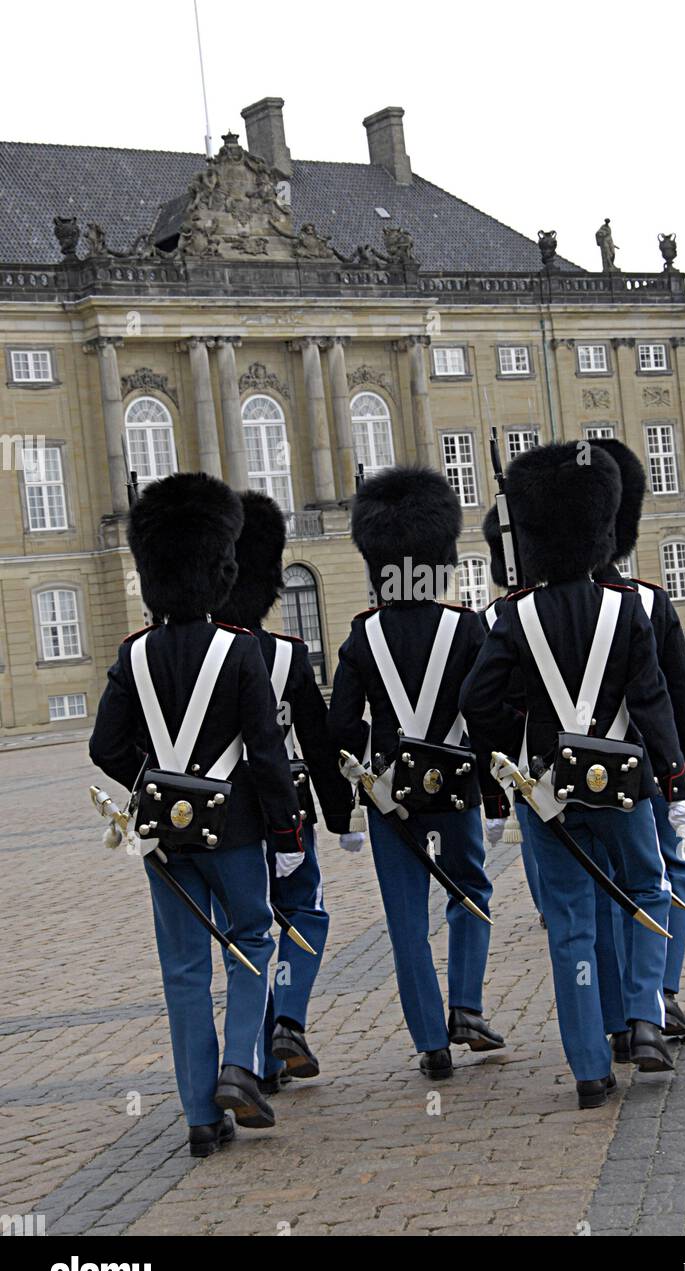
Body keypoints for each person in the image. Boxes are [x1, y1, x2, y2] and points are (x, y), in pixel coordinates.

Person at [461, 442, 685, 1109]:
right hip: (624, 782)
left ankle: (590, 1066)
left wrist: (517, 753)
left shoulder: (511, 616)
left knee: (570, 925)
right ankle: (646, 1015)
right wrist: (674, 778)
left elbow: (478, 701)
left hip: (548, 793)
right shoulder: (628, 610)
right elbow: (651, 701)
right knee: (647, 891)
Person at [89, 472, 304, 1157]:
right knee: (250, 941)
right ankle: (239, 1065)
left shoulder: (133, 654)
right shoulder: (240, 650)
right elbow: (267, 756)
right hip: (237, 832)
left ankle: (198, 1117)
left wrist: (155, 788)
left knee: (183, 969)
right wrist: (287, 830)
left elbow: (106, 747)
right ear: (219, 572)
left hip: (163, 840)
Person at [328, 466, 506, 1080]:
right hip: (456, 788)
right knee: (470, 893)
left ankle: (431, 1041)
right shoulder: (467, 627)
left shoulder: (361, 636)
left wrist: (347, 804)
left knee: (406, 920)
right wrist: (496, 791)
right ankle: (466, 1006)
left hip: (387, 794)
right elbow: (487, 715)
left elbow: (342, 729)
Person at [213, 491, 354, 1089]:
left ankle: (264, 1057)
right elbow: (318, 745)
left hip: (223, 820)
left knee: (247, 935)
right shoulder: (286, 654)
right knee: (304, 916)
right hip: (287, 809)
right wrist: (342, 813)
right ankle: (288, 1022)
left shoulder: (204, 654)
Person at [589, 438, 685, 1055]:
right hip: (649, 772)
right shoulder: (645, 601)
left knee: (607, 889)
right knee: (667, 875)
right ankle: (658, 992)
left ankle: (620, 1009)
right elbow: (674, 698)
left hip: (579, 775)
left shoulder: (533, 607)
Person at [481, 503, 543, 922]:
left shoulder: (490, 618)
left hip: (522, 745)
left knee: (534, 830)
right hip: (540, 737)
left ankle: (549, 904)